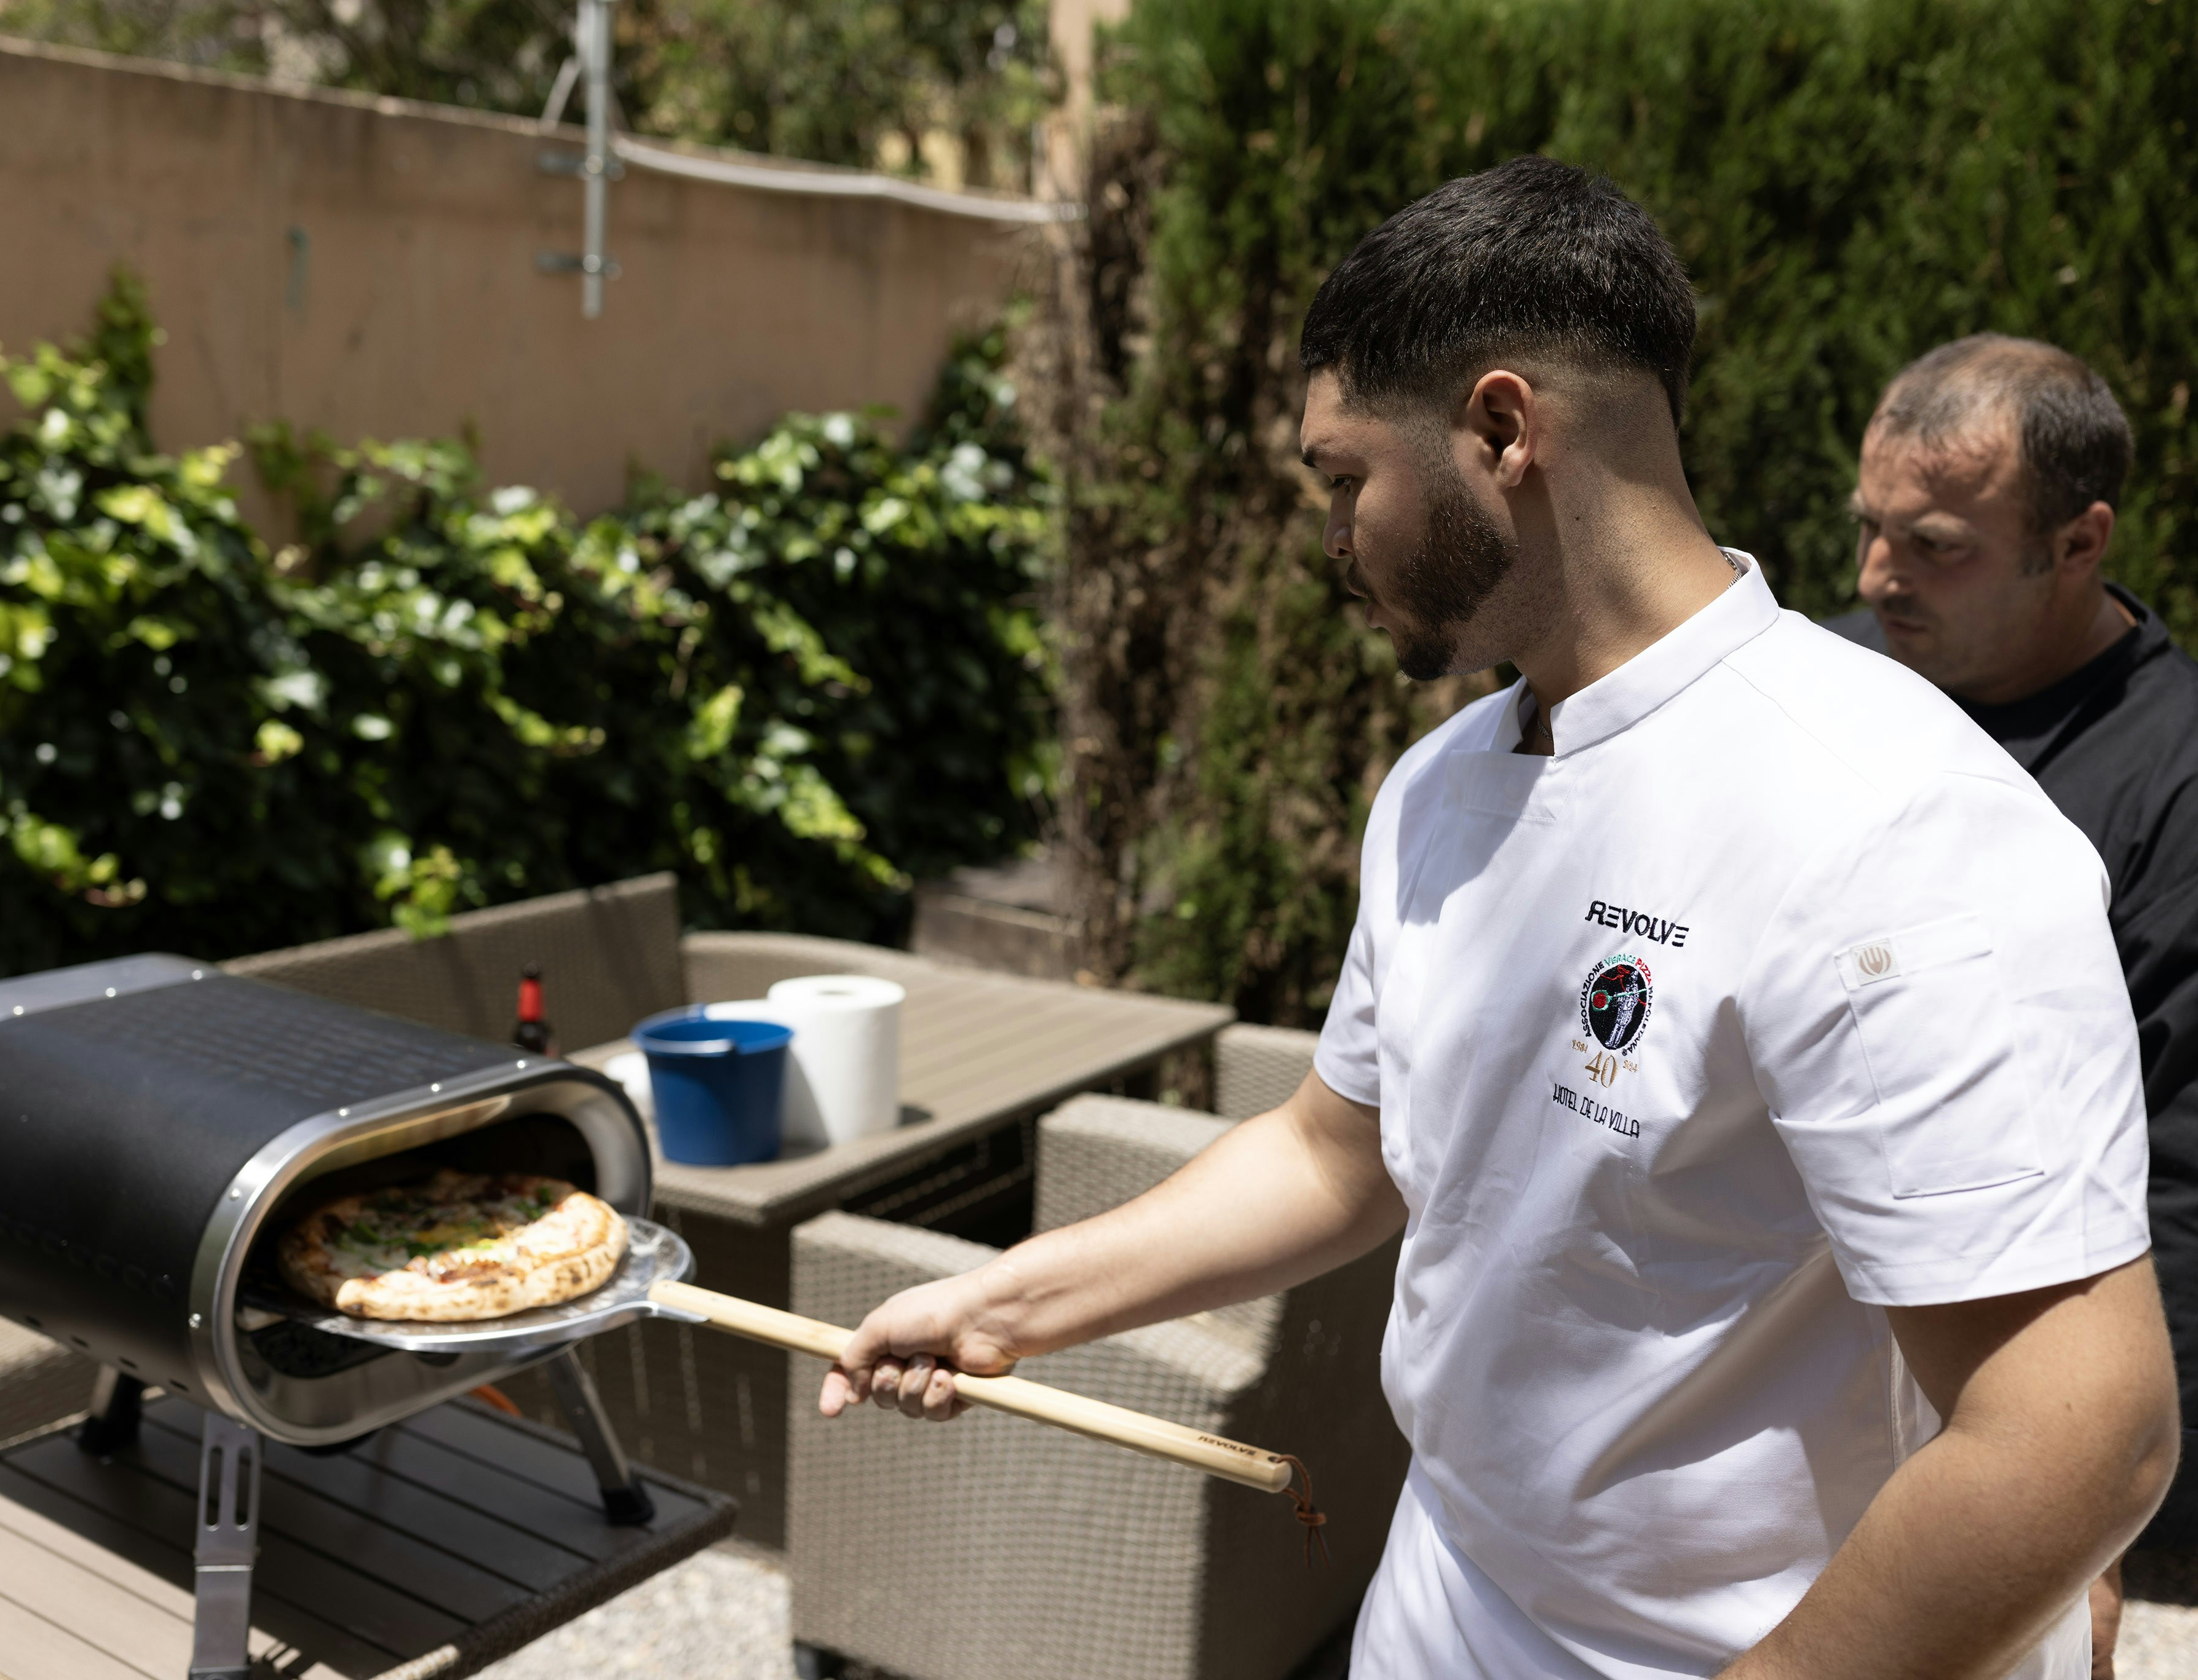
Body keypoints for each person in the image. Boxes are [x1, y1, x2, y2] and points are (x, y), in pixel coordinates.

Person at [817, 156, 2180, 1679]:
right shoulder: (1442, 785)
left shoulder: (1889, 820)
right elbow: (1335, 1151)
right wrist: (1007, 1299)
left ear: (1498, 429)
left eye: (1345, 479)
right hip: (1447, 1601)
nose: (1330, 538)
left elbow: (2073, 1438)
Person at [1830, 333, 2198, 1668]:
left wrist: (2100, 1524)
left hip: (2023, 1421)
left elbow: (2176, 1174)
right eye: (1868, 529)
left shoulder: (2170, 789)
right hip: (1791, 1406)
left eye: (1933, 546)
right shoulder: (1820, 692)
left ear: (2078, 541)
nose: (1877, 578)